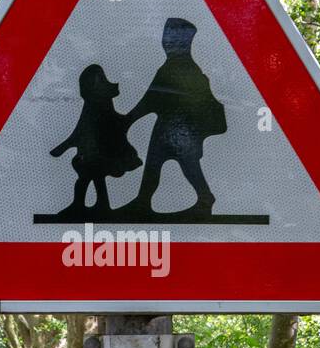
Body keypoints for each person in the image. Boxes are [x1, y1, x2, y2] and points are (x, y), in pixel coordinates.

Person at [123, 17, 226, 217]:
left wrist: (127, 120)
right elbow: (151, 99)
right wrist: (127, 120)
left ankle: (204, 197)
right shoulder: (177, 66)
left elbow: (149, 101)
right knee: (158, 164)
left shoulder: (177, 68)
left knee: (184, 166)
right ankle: (144, 200)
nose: (166, 42)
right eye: (166, 37)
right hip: (171, 128)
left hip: (180, 130)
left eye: (171, 38)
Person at [50, 63, 141, 216]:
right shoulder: (91, 107)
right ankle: (87, 205)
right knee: (88, 178)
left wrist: (63, 147)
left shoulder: (102, 107)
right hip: (91, 155)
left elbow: (113, 124)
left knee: (91, 177)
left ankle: (95, 205)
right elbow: (80, 131)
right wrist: (63, 147)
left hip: (104, 154)